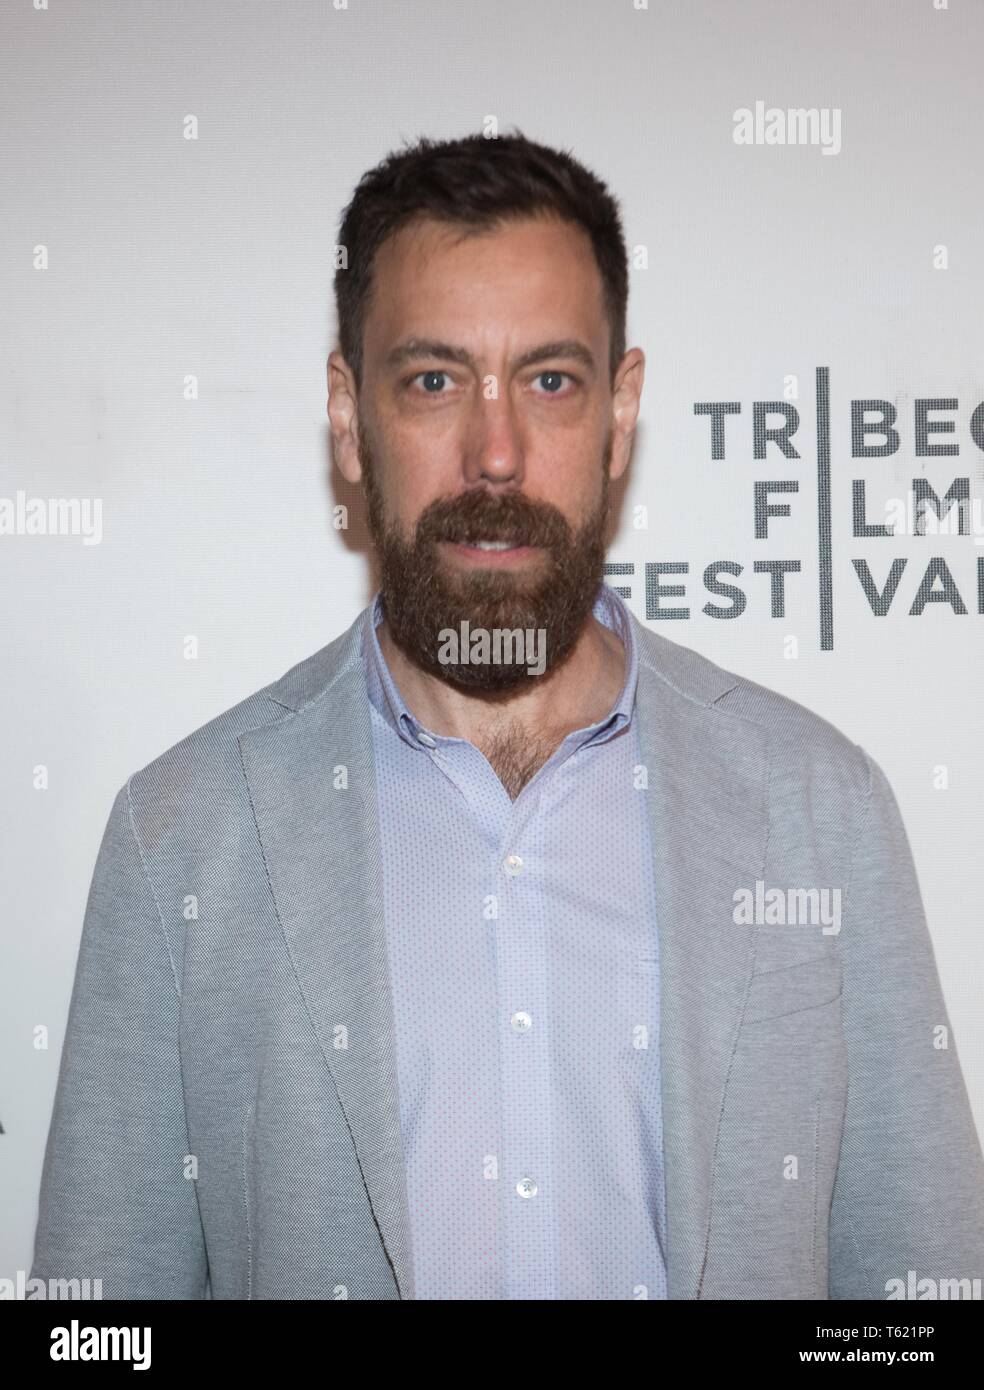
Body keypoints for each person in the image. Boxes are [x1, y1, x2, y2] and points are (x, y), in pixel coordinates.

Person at [31, 131, 984, 1300]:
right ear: (347, 413)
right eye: (434, 380)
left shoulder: (821, 810)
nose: (496, 451)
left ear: (621, 412)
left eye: (550, 380)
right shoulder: (180, 837)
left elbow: (924, 1305)